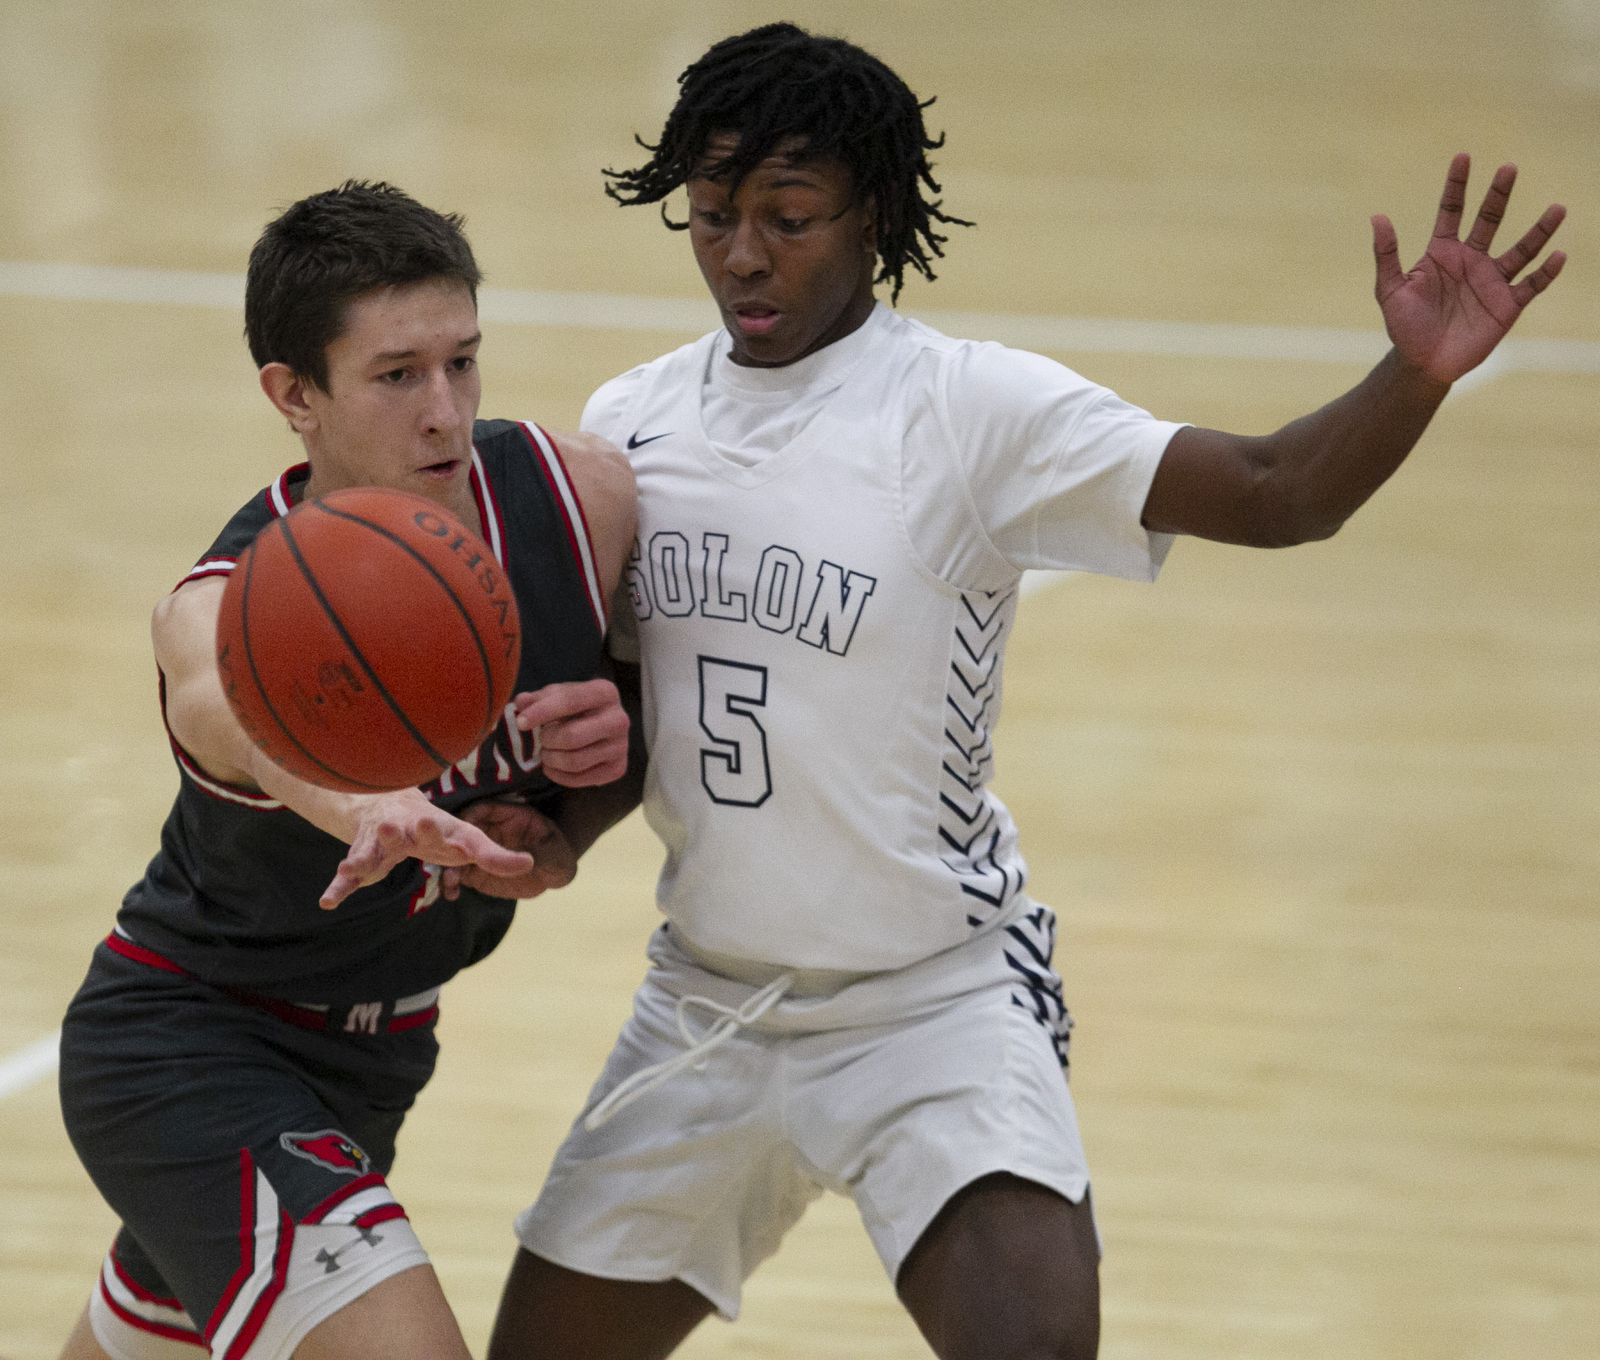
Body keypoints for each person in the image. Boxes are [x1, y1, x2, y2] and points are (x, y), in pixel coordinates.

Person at [482, 24, 1568, 1360]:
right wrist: (550, 830)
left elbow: (1283, 494)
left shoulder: (969, 410)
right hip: (707, 1004)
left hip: (930, 1004)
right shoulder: (635, 421)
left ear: (871, 215)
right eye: (713, 217)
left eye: (790, 216)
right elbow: (638, 710)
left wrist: (1412, 376)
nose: (745, 255)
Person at [56, 182, 636, 1360]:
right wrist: (361, 796)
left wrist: (586, 797)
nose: (445, 413)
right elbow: (225, 713)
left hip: (375, 1064)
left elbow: (646, 728)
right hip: (190, 1044)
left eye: (462, 362)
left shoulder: (582, 506)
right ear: (294, 395)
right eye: (396, 374)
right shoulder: (228, 601)